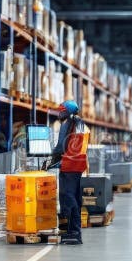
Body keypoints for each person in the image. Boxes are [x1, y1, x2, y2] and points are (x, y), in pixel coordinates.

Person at [46, 100, 89, 245]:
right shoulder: (80, 123)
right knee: (75, 196)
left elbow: (60, 147)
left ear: (67, 111)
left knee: (67, 196)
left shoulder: (67, 124)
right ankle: (73, 230)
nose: (59, 113)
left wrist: (51, 160)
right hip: (78, 165)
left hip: (70, 165)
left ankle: (75, 231)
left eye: (61, 110)